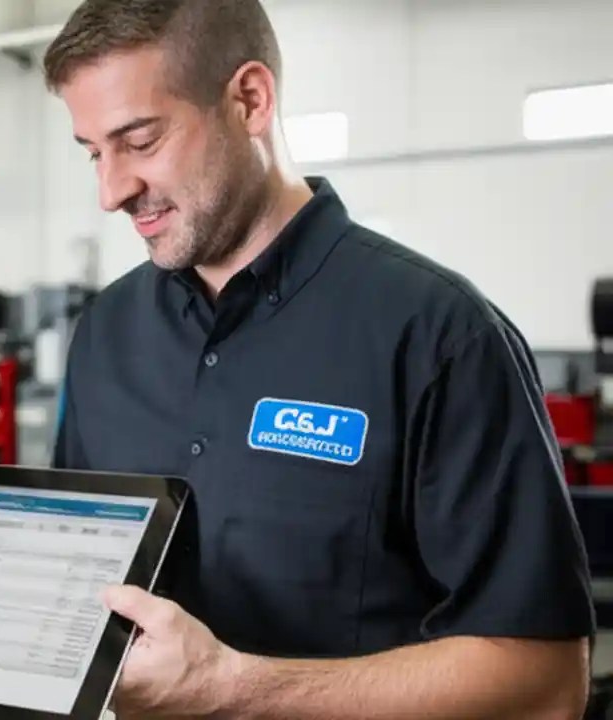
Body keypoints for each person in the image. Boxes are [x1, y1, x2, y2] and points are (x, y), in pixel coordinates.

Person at [43, 1, 595, 717]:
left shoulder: (437, 334)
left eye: (140, 141)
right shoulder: (105, 336)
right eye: (93, 152)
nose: (111, 191)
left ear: (249, 99)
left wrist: (237, 690)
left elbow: (547, 683)